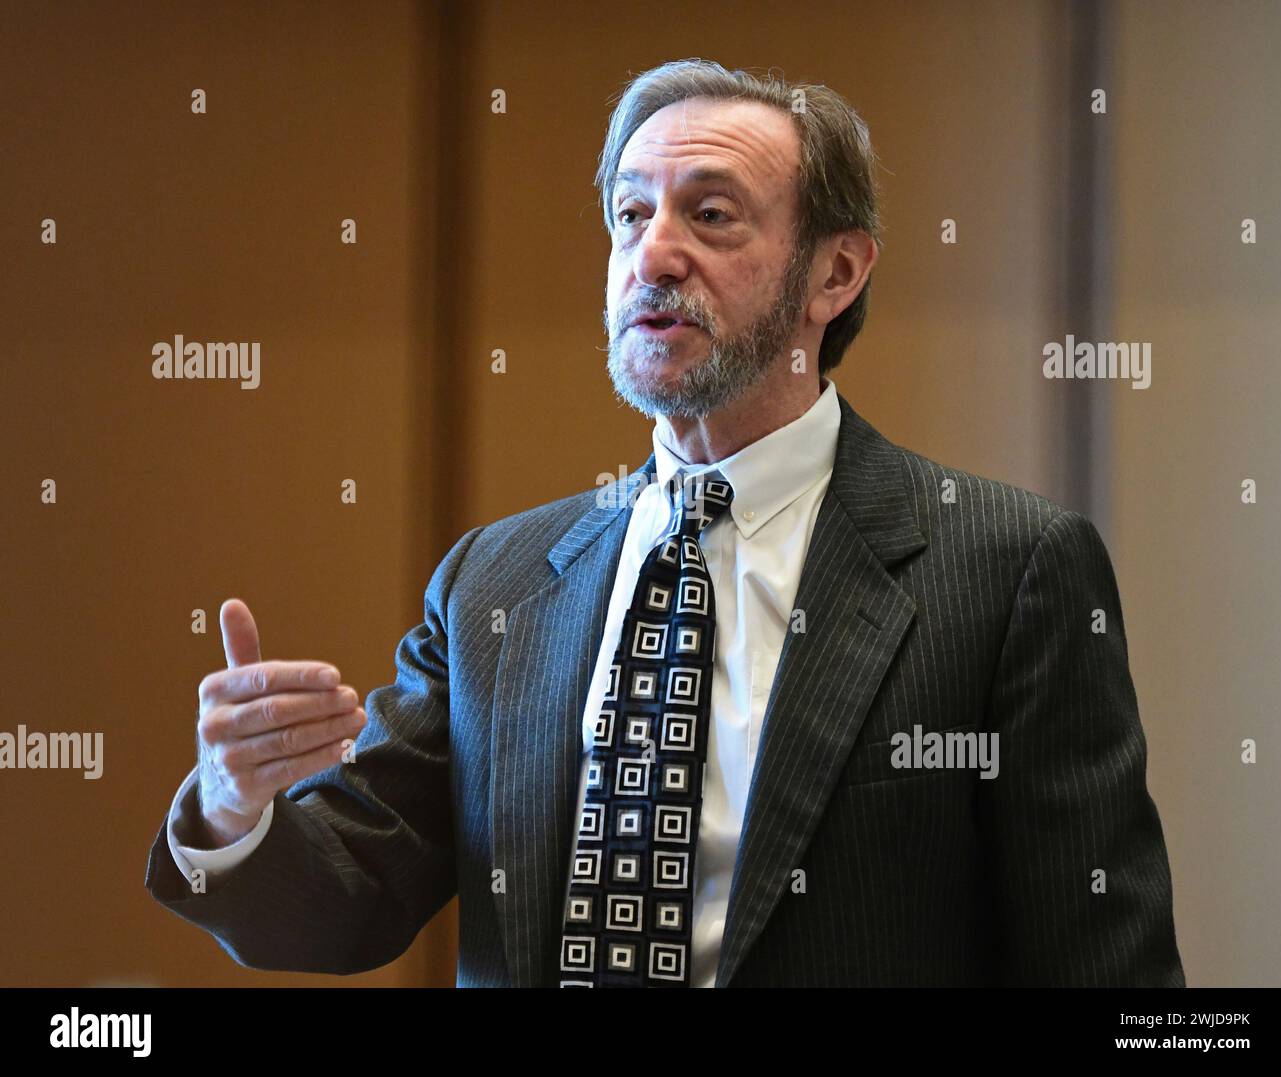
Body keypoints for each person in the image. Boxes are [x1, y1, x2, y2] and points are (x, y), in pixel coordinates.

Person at [145, 59, 1184, 988]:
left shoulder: (1004, 572)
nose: (653, 257)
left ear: (836, 272)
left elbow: (1104, 967)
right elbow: (345, 903)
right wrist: (235, 805)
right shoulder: (496, 586)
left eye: (712, 215)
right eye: (629, 215)